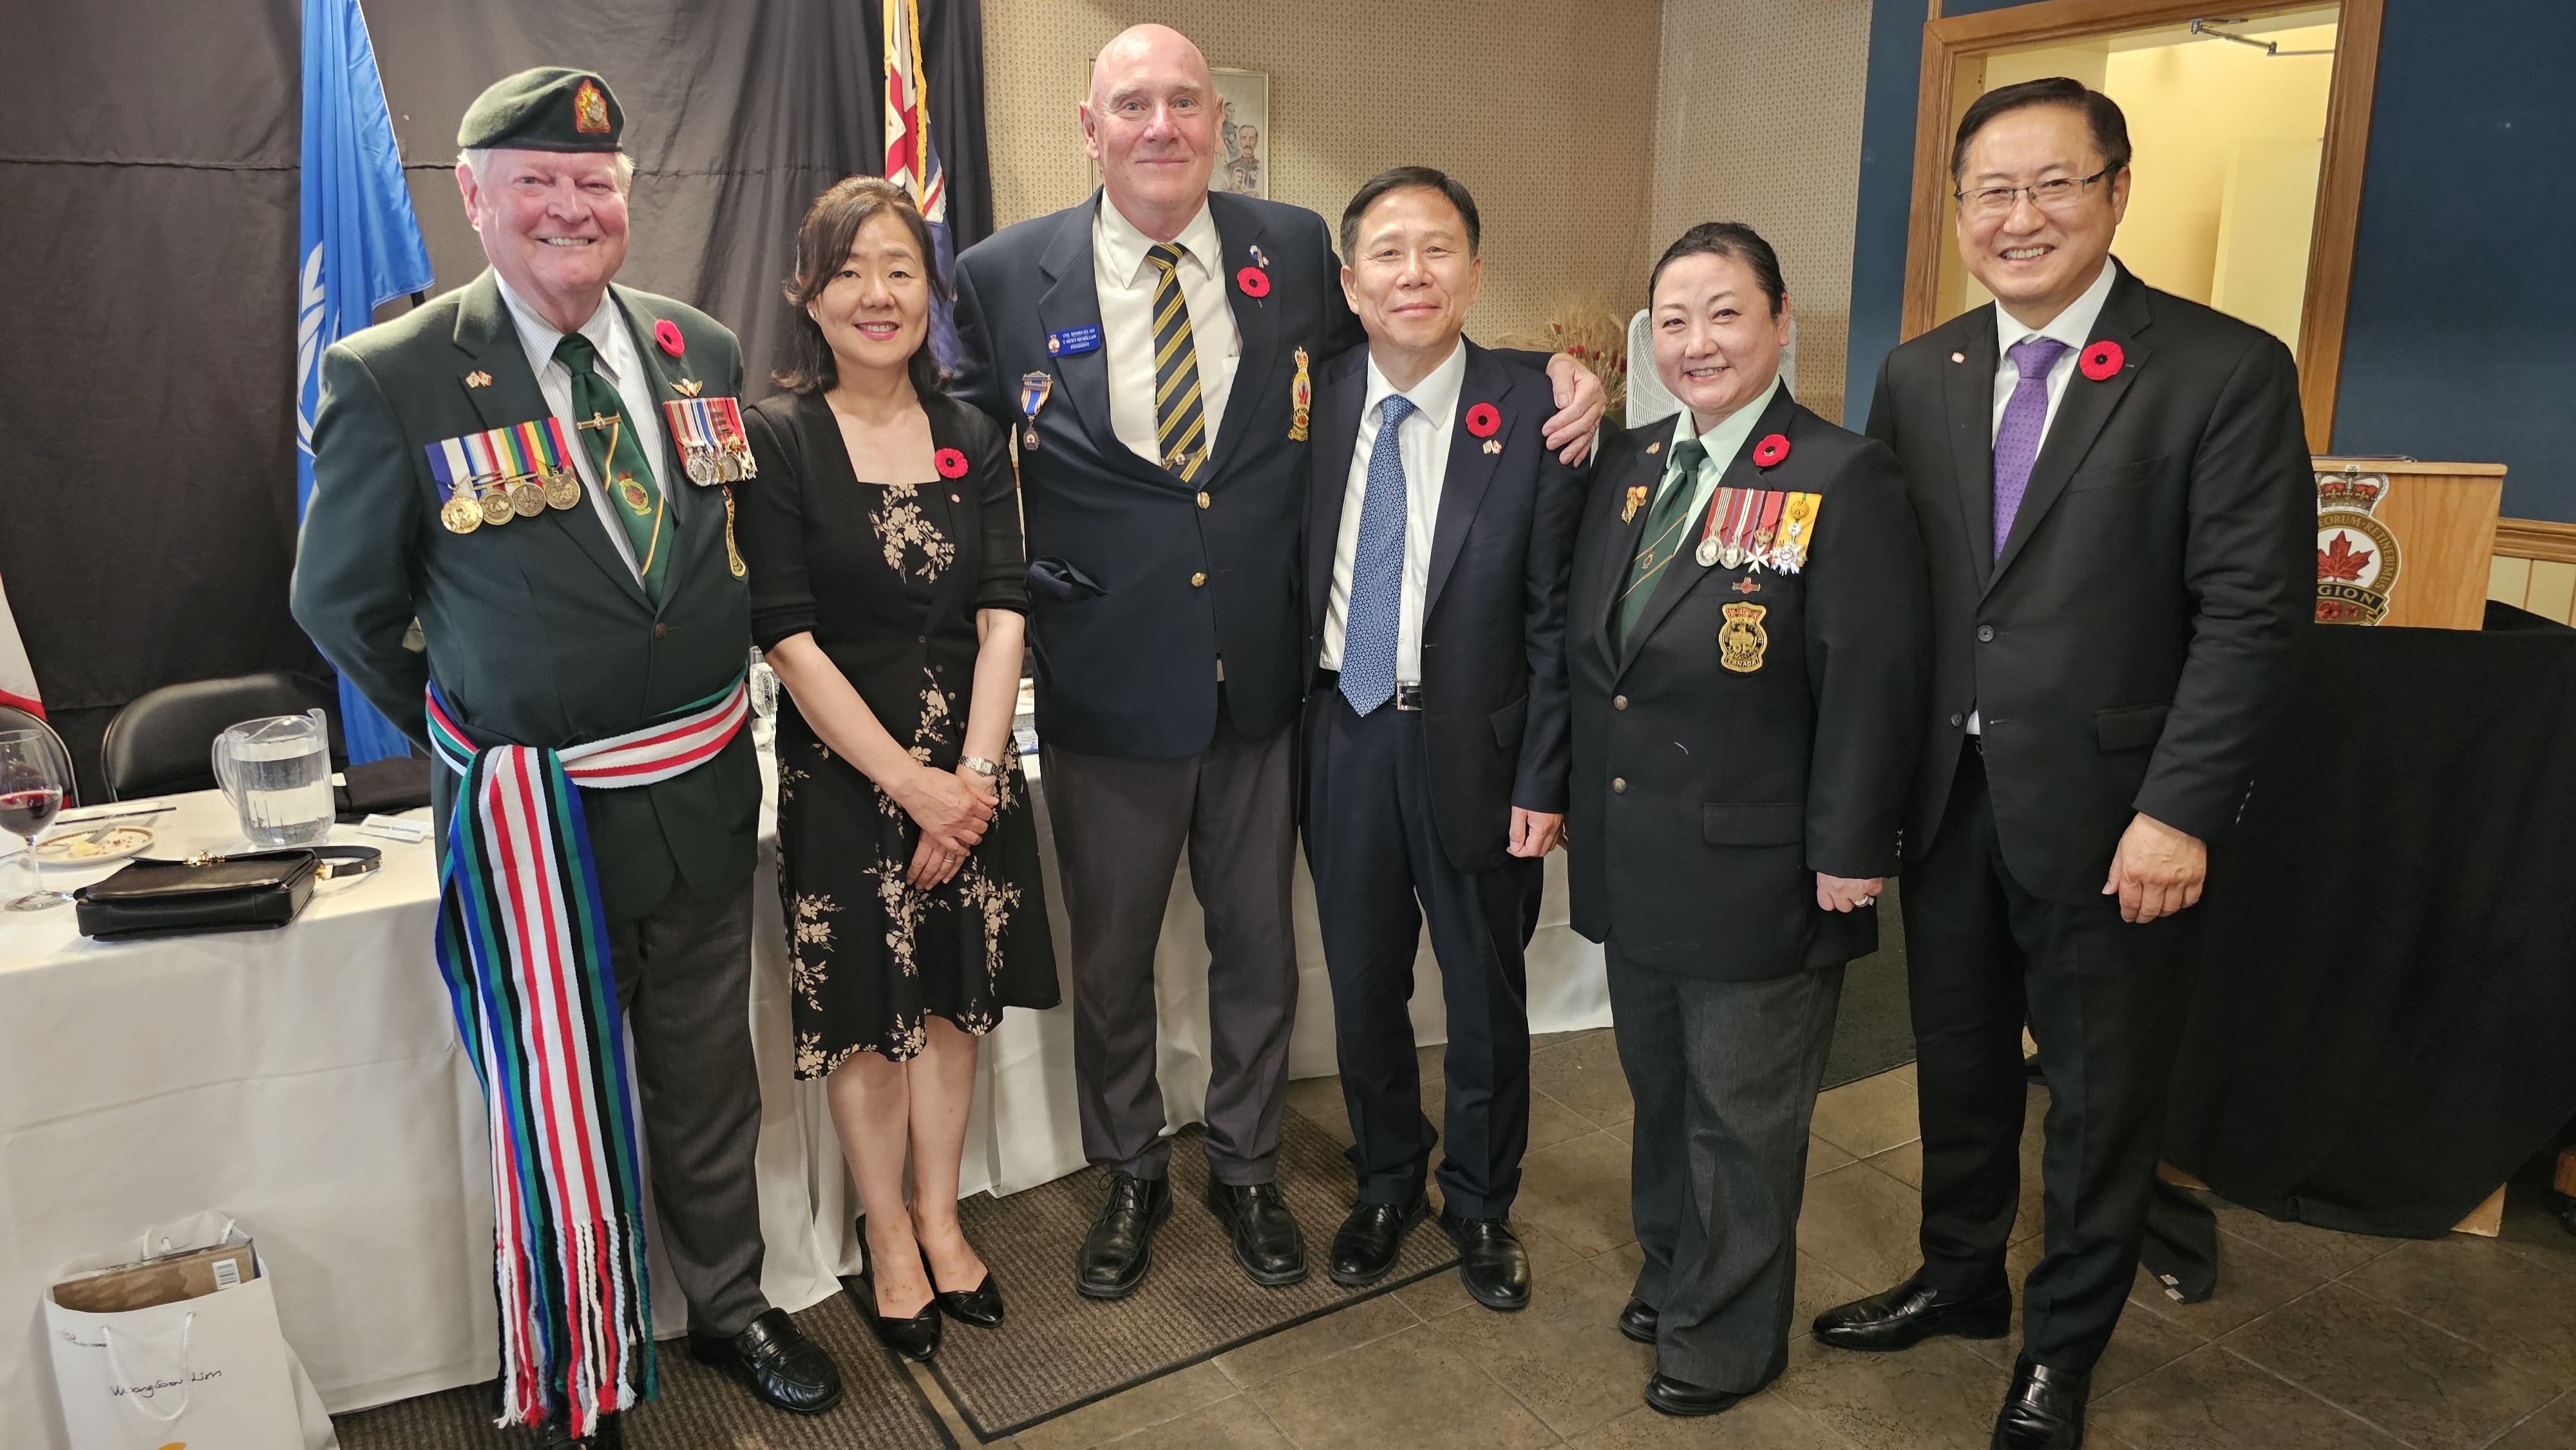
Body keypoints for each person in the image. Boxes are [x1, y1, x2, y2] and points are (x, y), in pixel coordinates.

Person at [947, 22, 1604, 1300]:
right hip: (1104, 683)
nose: (1159, 125)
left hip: (1263, 686)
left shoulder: (1290, 247)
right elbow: (964, 458)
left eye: (1183, 101)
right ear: (1089, 129)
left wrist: (1556, 374)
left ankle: (1248, 1166)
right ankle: (1129, 1166)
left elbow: (1410, 340)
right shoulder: (996, 271)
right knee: (1113, 958)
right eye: (1129, 103)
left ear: (1215, 125)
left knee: (1259, 948)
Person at [292, 69, 840, 1447]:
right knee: (556, 1079)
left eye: (593, 183)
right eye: (532, 180)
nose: (567, 207)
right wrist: (463, 725)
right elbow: (340, 600)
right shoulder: (396, 373)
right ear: (472, 198)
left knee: (712, 1076)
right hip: (541, 826)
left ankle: (730, 1303)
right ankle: (571, 1322)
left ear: (626, 201)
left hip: (703, 796)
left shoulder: (694, 349)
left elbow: (693, 568)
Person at [1812, 79, 2311, 1450]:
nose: (2018, 216)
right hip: (1949, 799)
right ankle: (1960, 1276)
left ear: (2114, 191)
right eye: (1990, 190)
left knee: (2096, 1098)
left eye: (2052, 185)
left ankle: (2061, 1345)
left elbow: (2253, 614)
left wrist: (2177, 809)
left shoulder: (2219, 368)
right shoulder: (1923, 371)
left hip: (2114, 817)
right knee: (1955, 1060)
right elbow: (1902, 589)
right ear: (1958, 209)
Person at [1566, 222, 1928, 1418]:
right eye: (1672, 319)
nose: (1697, 341)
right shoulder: (1630, 466)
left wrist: (1850, 852)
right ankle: (1675, 1272)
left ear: (1780, 322)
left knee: (1742, 1119)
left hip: (1763, 865)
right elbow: (1599, 661)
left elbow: (1870, 681)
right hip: (1642, 853)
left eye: (1725, 313)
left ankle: (1726, 1337)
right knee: (1663, 1097)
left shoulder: (1838, 472)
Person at [734, 177, 1059, 1364]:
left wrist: (970, 780)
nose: (879, 295)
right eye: (850, 272)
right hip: (844, 777)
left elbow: (1005, 609)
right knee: (867, 1020)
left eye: (902, 269)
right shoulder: (775, 439)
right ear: (806, 297)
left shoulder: (976, 433)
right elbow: (786, 634)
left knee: (954, 1001)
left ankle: (940, 1211)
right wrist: (915, 788)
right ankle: (885, 1232)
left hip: (971, 769)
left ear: (934, 289)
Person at [1298, 168, 1584, 1312]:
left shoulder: (1537, 408)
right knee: (1362, 986)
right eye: (1388, 253)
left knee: (1485, 994)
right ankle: (1384, 1181)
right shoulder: (1304, 401)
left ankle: (1478, 1200)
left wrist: (1547, 771)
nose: (1413, 273)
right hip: (1345, 731)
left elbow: (1556, 616)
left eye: (1439, 250)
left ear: (1475, 271)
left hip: (1481, 749)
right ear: (1350, 283)